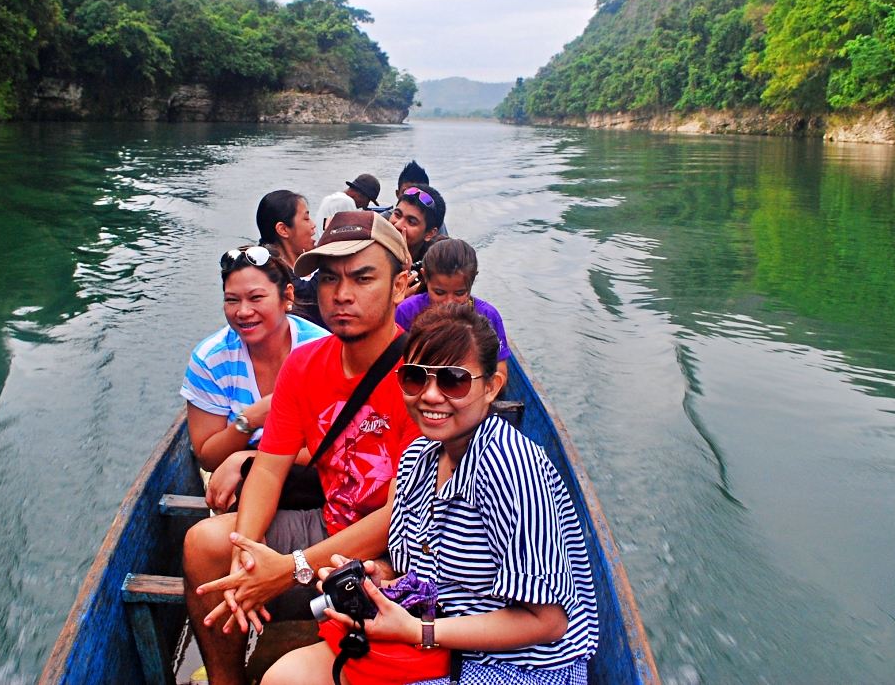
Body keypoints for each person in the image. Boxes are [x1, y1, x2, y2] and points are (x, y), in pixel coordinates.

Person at [262, 305, 600, 685]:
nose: (431, 396)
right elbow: (415, 570)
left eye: (453, 381)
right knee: (285, 677)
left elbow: (549, 622)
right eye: (415, 378)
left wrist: (419, 632)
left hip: (518, 665)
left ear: (490, 387)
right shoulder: (416, 459)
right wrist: (382, 578)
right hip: (437, 640)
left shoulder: (512, 466)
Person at [184, 211, 419, 685]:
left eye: (363, 277)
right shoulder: (305, 364)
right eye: (329, 279)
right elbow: (270, 470)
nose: (342, 294)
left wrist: (290, 568)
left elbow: (402, 517)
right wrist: (245, 557)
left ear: (400, 287)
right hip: (328, 523)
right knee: (206, 544)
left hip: (400, 554)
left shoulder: (424, 377)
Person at [182, 245, 329, 512]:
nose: (243, 312)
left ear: (287, 296)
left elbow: (337, 448)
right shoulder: (210, 359)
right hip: (243, 479)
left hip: (314, 477)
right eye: (232, 300)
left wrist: (249, 459)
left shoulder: (322, 351)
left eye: (256, 297)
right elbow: (208, 458)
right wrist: (250, 419)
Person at [396, 238, 510, 381]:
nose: (449, 303)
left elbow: (500, 374)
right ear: (425, 277)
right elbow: (397, 367)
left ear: (473, 280)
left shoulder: (488, 316)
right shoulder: (406, 312)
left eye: (459, 293)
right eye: (439, 293)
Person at [256, 190, 322, 327]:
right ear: (283, 230)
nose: (313, 224)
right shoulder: (269, 269)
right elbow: (308, 294)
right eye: (306, 219)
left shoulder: (305, 262)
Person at [389, 183, 446, 266]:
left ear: (430, 234)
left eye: (411, 222)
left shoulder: (432, 271)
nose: (398, 225)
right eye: (397, 214)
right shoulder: (368, 246)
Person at [316, 174, 381, 240]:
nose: (366, 205)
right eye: (367, 201)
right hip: (325, 248)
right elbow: (354, 234)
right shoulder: (347, 201)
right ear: (360, 195)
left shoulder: (330, 198)